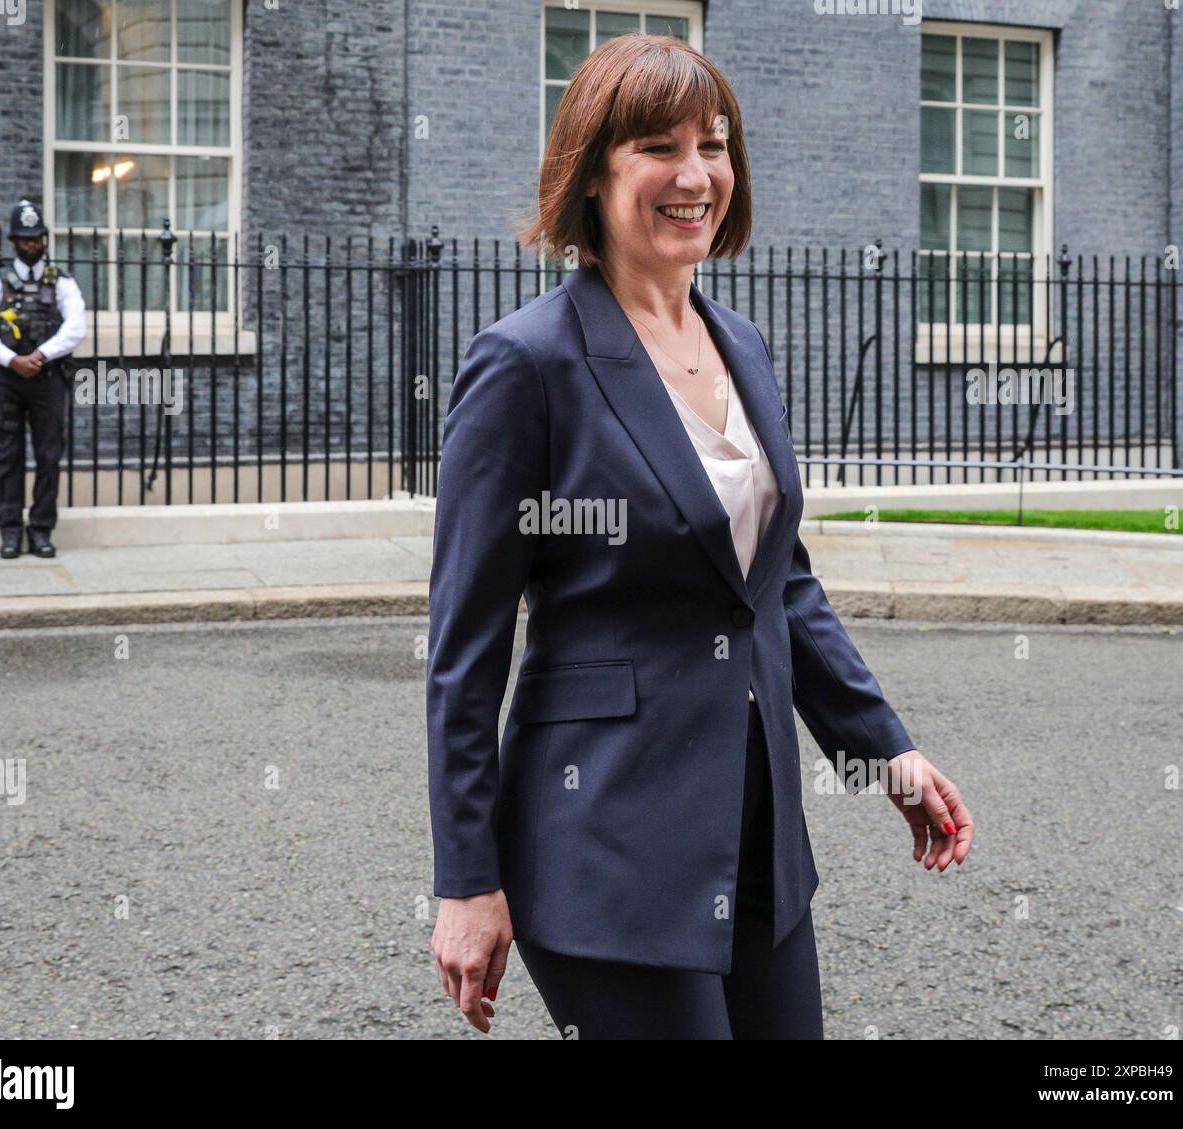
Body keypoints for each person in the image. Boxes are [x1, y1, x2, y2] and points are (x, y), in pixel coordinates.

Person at [426, 34, 975, 1039]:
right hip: (601, 848)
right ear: (593, 174)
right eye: (655, 147)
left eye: (711, 145)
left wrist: (883, 751)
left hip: (756, 837)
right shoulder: (525, 365)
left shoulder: (742, 344)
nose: (694, 175)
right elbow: (464, 650)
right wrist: (466, 880)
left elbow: (778, 587)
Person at [0, 199, 86, 559]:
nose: (31, 245)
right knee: (8, 455)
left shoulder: (62, 282)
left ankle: (41, 530)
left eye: (36, 238)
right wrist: (11, 359)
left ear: (45, 239)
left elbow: (76, 326)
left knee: (49, 455)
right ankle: (10, 531)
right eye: (24, 238)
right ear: (14, 240)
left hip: (47, 378)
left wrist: (40, 356)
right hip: (7, 379)